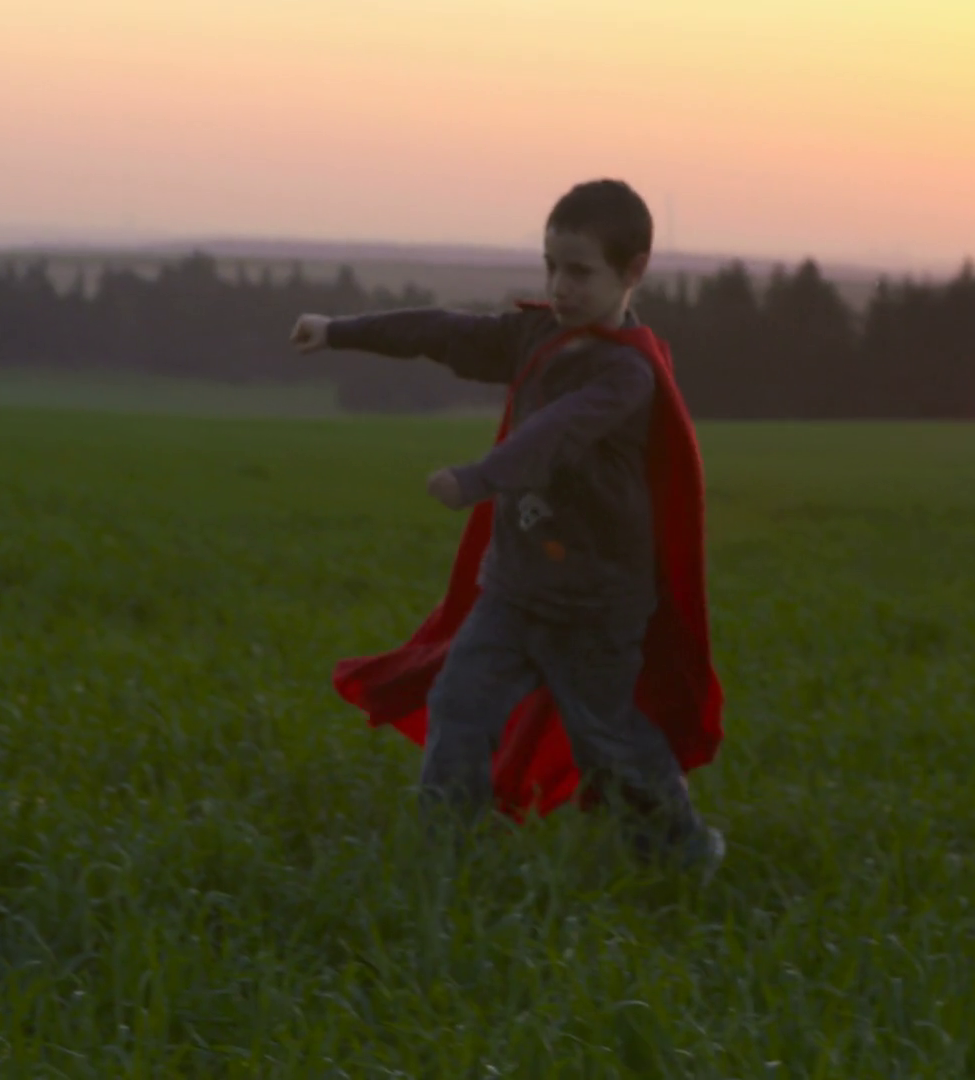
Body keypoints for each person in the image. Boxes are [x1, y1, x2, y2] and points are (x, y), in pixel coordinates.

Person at [289, 179, 725, 875]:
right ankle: (448, 854)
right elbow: (443, 331)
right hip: (513, 593)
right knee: (459, 704)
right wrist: (340, 331)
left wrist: (479, 477)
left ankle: (684, 851)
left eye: (580, 271)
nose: (560, 286)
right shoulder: (534, 337)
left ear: (634, 271)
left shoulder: (627, 374)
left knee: (609, 746)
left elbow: (556, 432)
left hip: (594, 611)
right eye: (551, 266)